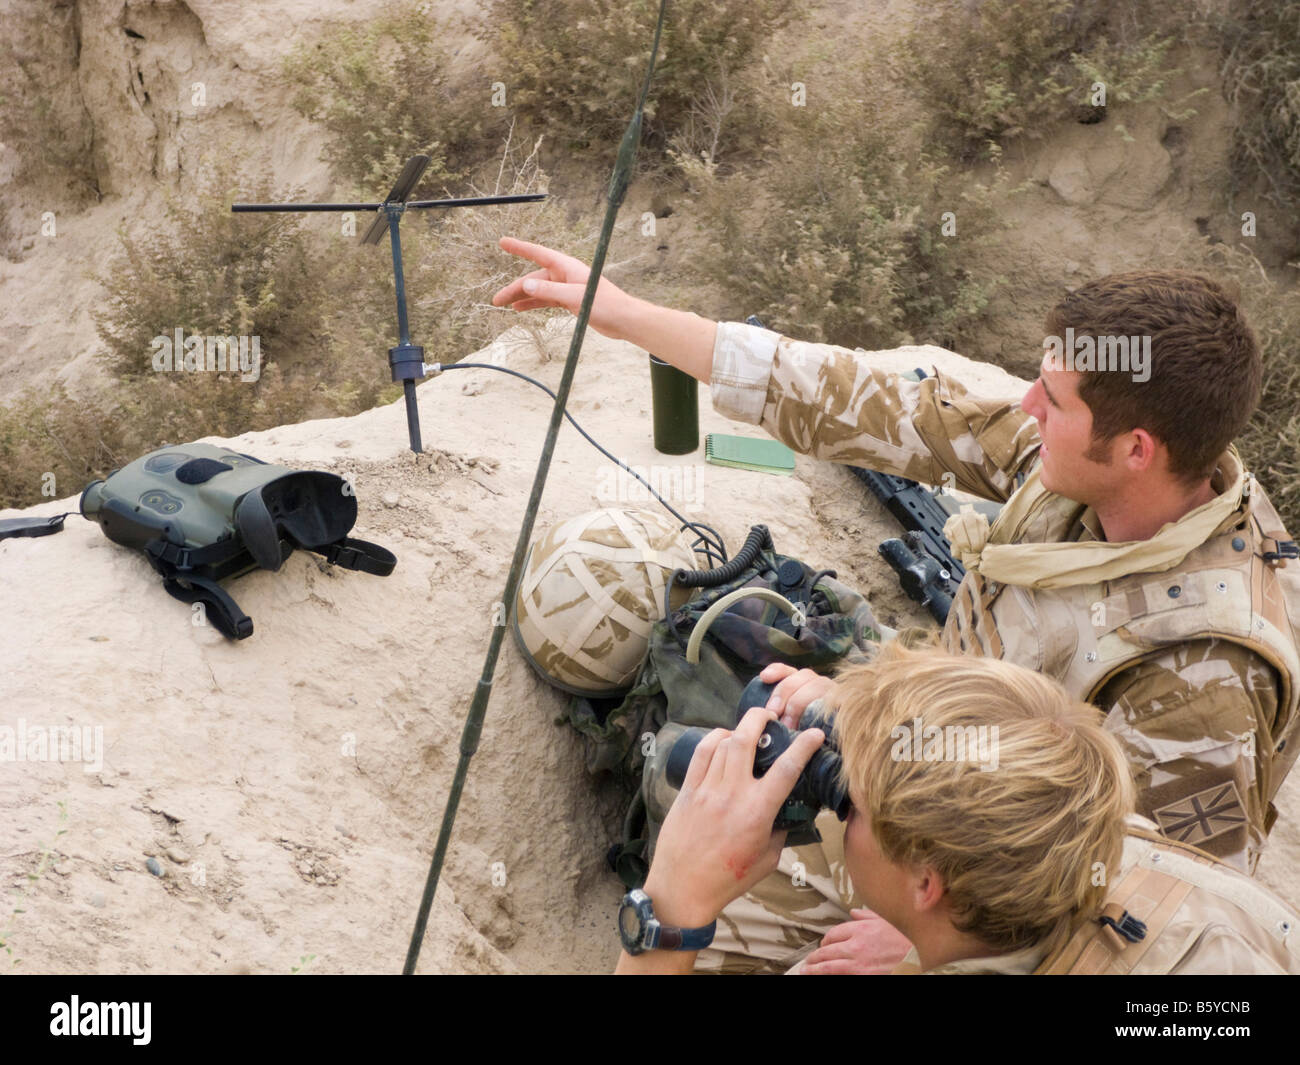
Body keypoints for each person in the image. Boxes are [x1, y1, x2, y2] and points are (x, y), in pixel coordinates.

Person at [491, 236, 1300, 969]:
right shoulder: (1077, 470)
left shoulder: (1205, 677)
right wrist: (633, 317)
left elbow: (1156, 908)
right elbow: (872, 402)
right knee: (703, 885)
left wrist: (928, 943)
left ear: (1135, 450)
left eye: (1052, 398)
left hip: (993, 902)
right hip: (926, 789)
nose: (1024, 406)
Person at [612, 642, 1300, 975]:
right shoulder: (1073, 819)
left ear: (927, 884)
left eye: (851, 804)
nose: (836, 808)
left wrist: (672, 903)